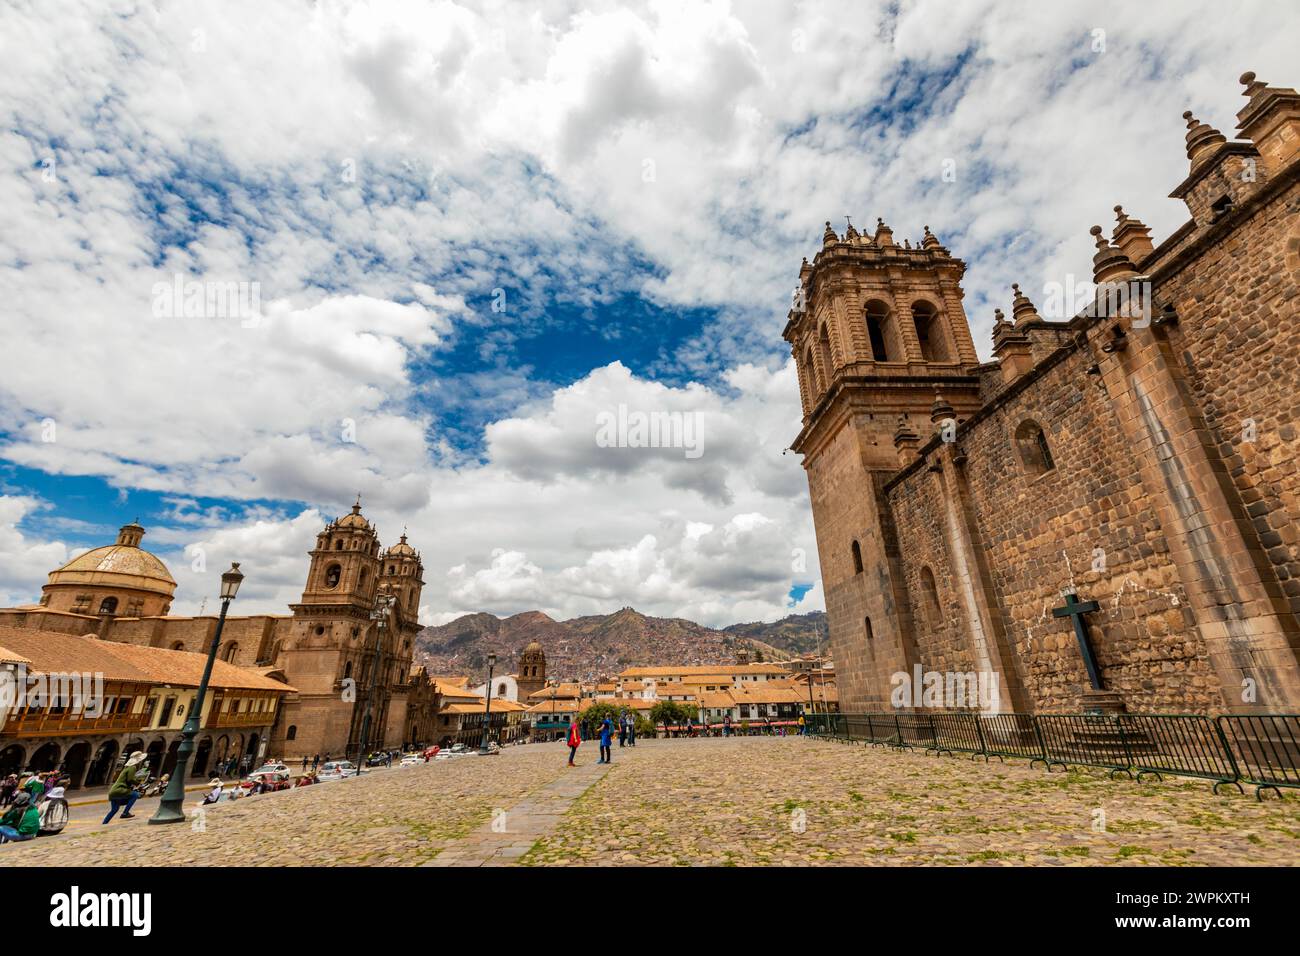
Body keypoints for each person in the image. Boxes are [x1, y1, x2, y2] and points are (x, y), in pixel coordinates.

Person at [103, 751, 147, 824]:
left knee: (114, 810)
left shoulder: (126, 768)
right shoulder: (132, 767)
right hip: (119, 789)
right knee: (135, 795)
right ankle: (125, 813)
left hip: (113, 791)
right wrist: (138, 783)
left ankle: (104, 823)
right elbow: (130, 779)